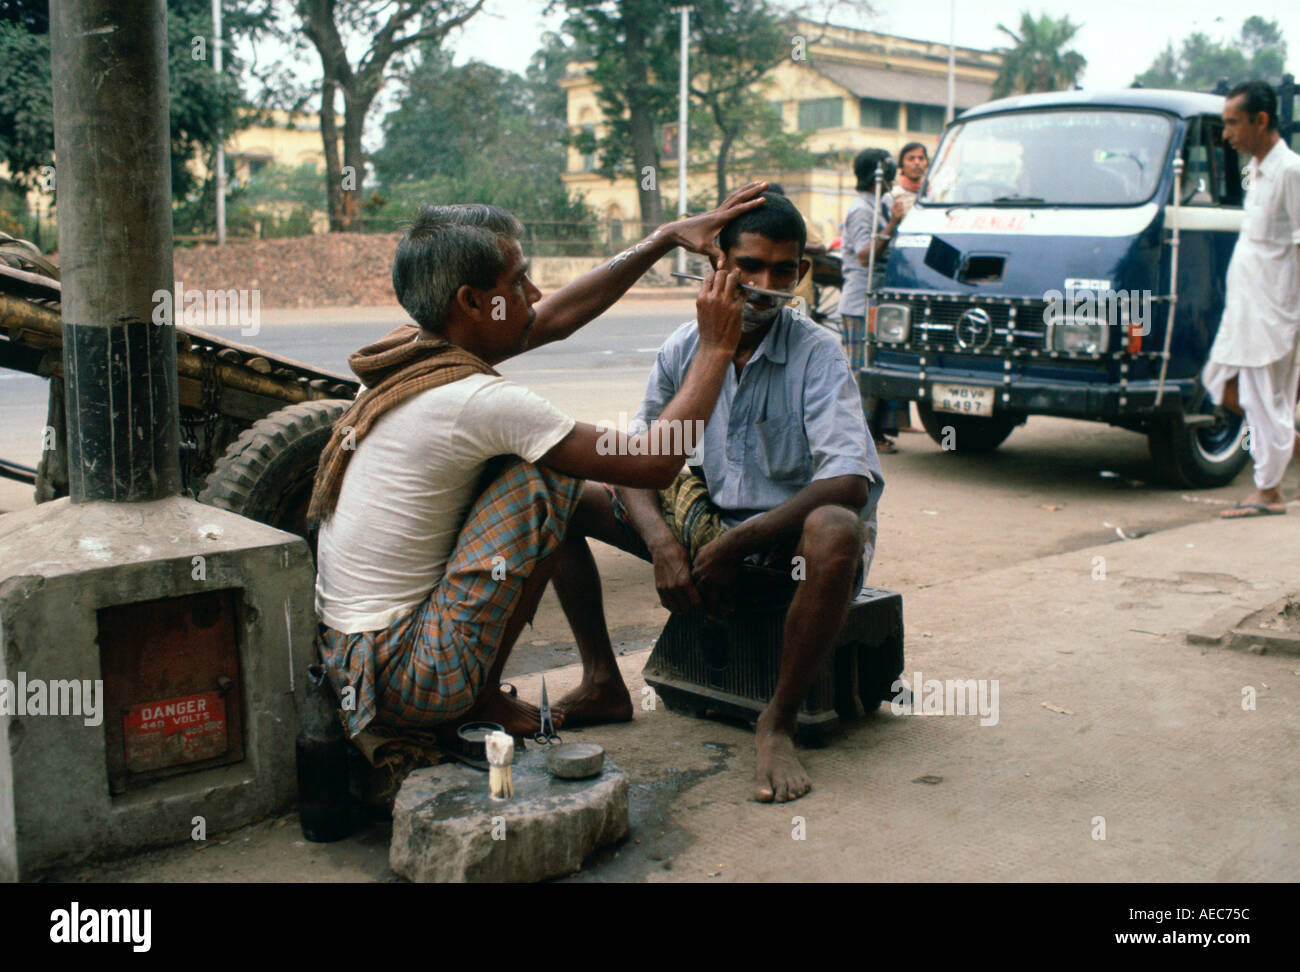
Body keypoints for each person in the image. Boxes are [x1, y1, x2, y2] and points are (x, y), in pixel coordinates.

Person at [308, 184, 768, 741]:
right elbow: (654, 463)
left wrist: (662, 239)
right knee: (548, 474)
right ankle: (477, 700)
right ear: (472, 303)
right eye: (517, 281)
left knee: (551, 470)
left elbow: (554, 318)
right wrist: (717, 346)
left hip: (355, 659)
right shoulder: (477, 400)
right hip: (406, 675)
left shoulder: (416, 349)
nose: (534, 291)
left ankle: (593, 682)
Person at [551, 191, 884, 803]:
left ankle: (776, 723)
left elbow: (848, 481)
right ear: (717, 266)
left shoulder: (816, 352)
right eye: (748, 267)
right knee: (558, 496)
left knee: (836, 528)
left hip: (780, 547)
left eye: (782, 271)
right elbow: (637, 459)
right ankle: (602, 680)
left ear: (801, 274)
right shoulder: (686, 347)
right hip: (703, 534)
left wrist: (742, 540)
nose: (764, 285)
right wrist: (660, 543)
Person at [1201, 80, 1300, 519]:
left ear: (1261, 120)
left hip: (1274, 310)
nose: (1226, 134)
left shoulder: (1292, 172)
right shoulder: (1255, 170)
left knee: (1264, 399)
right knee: (1218, 383)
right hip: (1244, 308)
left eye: (1233, 123)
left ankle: (1269, 492)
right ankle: (1284, 445)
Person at [841, 148, 908, 452]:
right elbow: (865, 254)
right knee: (861, 372)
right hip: (860, 302)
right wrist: (892, 224)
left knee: (879, 369)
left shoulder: (881, 202)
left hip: (881, 300)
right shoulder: (861, 210)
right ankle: (860, 437)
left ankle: (878, 431)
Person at [893, 141, 929, 215]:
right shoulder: (893, 195)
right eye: (911, 159)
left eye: (921, 158)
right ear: (901, 164)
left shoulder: (934, 195)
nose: (917, 162)